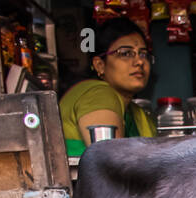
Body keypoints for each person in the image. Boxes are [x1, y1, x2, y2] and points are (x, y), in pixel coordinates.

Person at [58, 16, 156, 156]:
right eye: (126, 53)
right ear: (100, 65)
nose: (139, 61)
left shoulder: (138, 114)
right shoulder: (98, 94)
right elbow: (111, 166)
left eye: (143, 54)